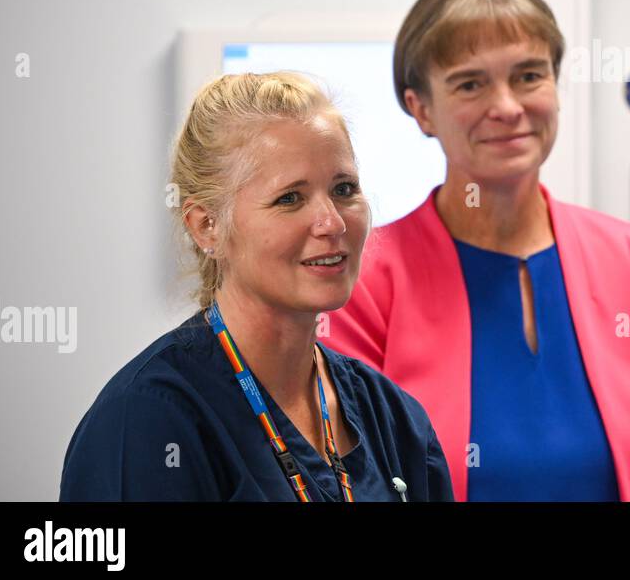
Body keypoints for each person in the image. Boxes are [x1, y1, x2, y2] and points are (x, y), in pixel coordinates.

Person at [324, 0, 630, 501]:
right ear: (421, 108)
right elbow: (353, 482)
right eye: (470, 83)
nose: (507, 106)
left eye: (529, 75)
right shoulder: (365, 277)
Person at [60, 72, 453, 502]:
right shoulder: (148, 418)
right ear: (207, 226)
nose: (333, 222)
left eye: (344, 189)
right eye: (290, 198)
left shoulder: (394, 419)